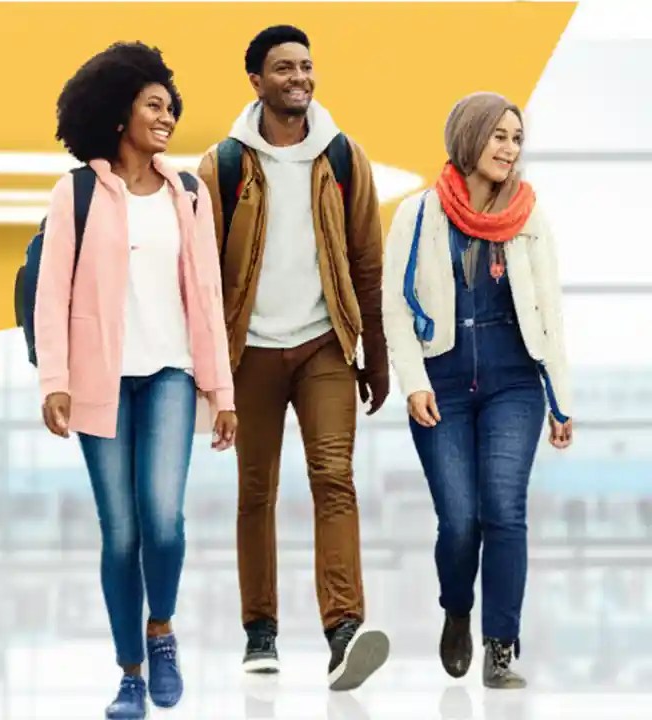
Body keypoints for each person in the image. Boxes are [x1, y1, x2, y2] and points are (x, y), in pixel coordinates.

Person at [36, 42, 238, 720]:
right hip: (101, 380)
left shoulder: (188, 193)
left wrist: (221, 390)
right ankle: (128, 674)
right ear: (118, 112)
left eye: (171, 107)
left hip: (172, 376)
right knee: (119, 531)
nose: (167, 117)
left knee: (165, 520)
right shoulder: (78, 191)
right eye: (154, 105)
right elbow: (50, 293)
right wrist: (54, 381)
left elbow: (206, 294)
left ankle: (162, 632)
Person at [196, 24, 391, 690]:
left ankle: (344, 631)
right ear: (255, 80)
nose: (300, 78)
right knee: (256, 492)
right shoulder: (223, 165)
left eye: (307, 66)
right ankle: (261, 631)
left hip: (323, 346)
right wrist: (210, 375)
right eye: (284, 68)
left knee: (334, 480)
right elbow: (199, 275)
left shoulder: (342, 158)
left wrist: (379, 355)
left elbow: (368, 260)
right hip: (248, 352)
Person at [382, 92, 574, 690]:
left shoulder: (528, 216)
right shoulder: (419, 214)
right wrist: (412, 384)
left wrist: (561, 399)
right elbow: (394, 305)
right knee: (460, 519)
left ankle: (500, 644)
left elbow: (549, 311)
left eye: (516, 138)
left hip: (513, 382)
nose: (509, 148)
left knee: (504, 511)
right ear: (468, 137)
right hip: (441, 383)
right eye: (498, 135)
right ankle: (457, 608)